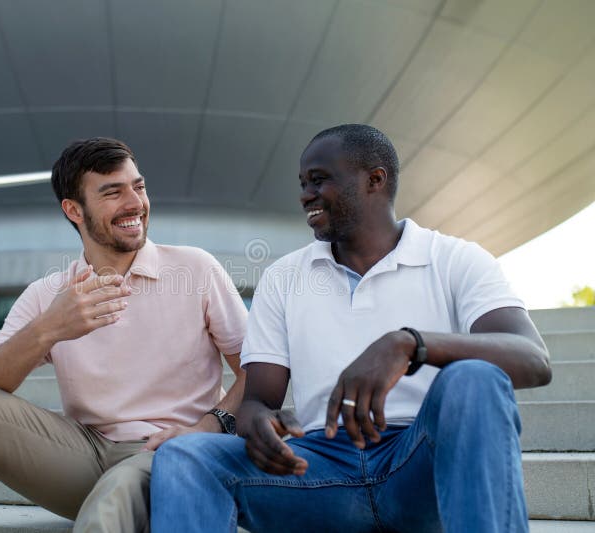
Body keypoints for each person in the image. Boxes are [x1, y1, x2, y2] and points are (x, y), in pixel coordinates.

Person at [150, 124, 552, 533]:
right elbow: (258, 400)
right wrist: (258, 426)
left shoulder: (455, 259)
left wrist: (409, 344)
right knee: (185, 457)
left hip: (421, 463)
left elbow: (534, 359)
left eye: (319, 179)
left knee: (475, 378)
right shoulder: (284, 276)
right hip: (317, 468)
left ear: (375, 180)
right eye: (303, 183)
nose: (306, 194)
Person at [0, 137, 248, 533]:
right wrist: (48, 329)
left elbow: (257, 371)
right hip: (83, 453)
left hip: (168, 454)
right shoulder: (50, 294)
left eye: (139, 187)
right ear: (74, 210)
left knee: (115, 495)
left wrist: (211, 425)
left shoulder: (196, 269)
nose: (135, 203)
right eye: (113, 192)